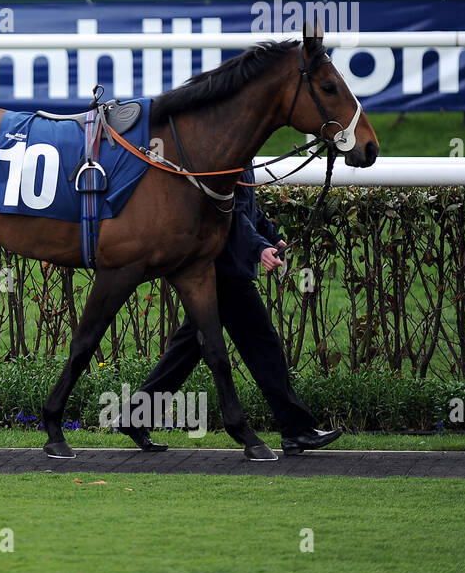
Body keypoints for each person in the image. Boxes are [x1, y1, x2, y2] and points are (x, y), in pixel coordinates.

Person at [116, 166, 343, 459]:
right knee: (264, 347)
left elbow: (247, 209)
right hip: (220, 271)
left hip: (224, 268)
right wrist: (259, 247)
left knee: (188, 350)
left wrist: (272, 237)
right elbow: (230, 216)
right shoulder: (223, 153)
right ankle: (295, 429)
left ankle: (135, 416)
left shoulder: (241, 157)